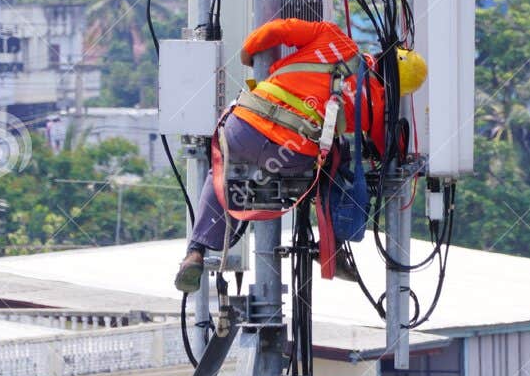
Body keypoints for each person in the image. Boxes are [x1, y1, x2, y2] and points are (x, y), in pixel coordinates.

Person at [174, 16, 424, 293]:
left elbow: (278, 29)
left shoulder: (332, 36)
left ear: (378, 56)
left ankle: (196, 251)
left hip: (244, 130)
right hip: (292, 155)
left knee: (222, 172)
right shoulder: (376, 105)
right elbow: (385, 152)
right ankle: (331, 245)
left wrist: (249, 52)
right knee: (337, 156)